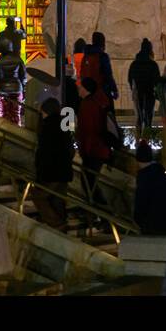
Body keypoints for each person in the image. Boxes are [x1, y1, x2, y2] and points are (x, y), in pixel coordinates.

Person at [32, 97, 74, 230]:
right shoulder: (63, 125)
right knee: (58, 198)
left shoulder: (48, 127)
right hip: (64, 170)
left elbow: (44, 153)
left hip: (51, 171)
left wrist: (40, 172)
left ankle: (57, 223)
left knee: (39, 196)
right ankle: (62, 223)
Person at [75, 76, 113, 210]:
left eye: (80, 87)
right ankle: (99, 214)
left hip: (93, 151)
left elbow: (88, 130)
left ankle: (105, 216)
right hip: (100, 149)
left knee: (89, 184)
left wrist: (84, 151)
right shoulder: (99, 101)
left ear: (86, 89)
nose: (78, 89)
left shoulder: (88, 105)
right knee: (90, 183)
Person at [133, 141, 166, 235]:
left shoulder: (143, 177)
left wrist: (138, 219)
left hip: (150, 222)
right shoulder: (162, 174)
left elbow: (141, 200)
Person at [0, 31, 27, 126]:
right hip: (17, 89)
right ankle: (16, 134)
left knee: (3, 114)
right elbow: (23, 76)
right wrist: (23, 88)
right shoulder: (18, 59)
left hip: (2, 90)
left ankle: (3, 134)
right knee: (16, 114)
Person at [127, 39, 161, 131]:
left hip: (138, 93)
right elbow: (157, 80)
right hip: (150, 93)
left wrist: (133, 89)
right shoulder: (153, 64)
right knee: (148, 118)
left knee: (139, 117)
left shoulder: (134, 64)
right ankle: (147, 139)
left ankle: (138, 139)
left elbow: (130, 79)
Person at [87, 31, 119, 102]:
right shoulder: (103, 56)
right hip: (101, 90)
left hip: (88, 91)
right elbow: (108, 75)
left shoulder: (86, 55)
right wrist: (114, 90)